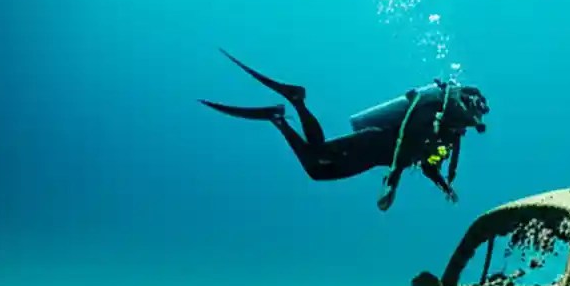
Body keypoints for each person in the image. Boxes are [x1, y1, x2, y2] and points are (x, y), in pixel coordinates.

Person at [200, 48, 489, 211]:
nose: (471, 121)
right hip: (373, 141)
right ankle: (296, 101)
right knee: (319, 152)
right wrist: (392, 182)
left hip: (374, 157)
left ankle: (279, 117)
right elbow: (405, 141)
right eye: (472, 114)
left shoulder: (449, 133)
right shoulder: (430, 110)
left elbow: (427, 163)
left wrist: (444, 186)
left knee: (317, 171)